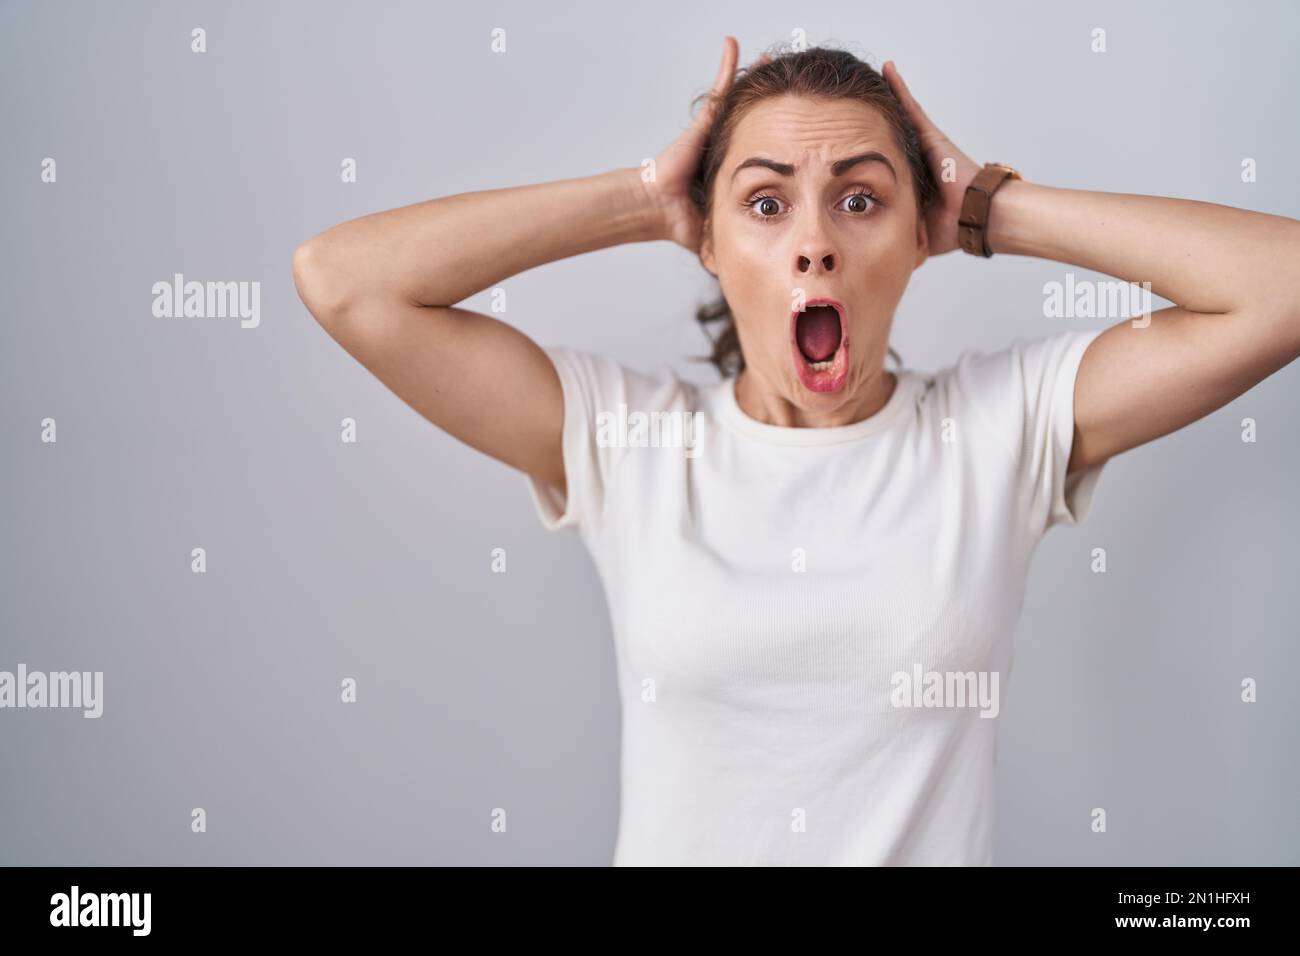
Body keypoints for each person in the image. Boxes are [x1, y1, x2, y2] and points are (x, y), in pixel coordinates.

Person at [292, 38, 1300, 865]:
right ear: (710, 241)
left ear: (920, 236)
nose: (813, 242)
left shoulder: (998, 428)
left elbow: (1282, 286)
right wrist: (644, 198)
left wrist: (990, 205)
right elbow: (342, 279)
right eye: (765, 203)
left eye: (860, 199)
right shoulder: (630, 444)